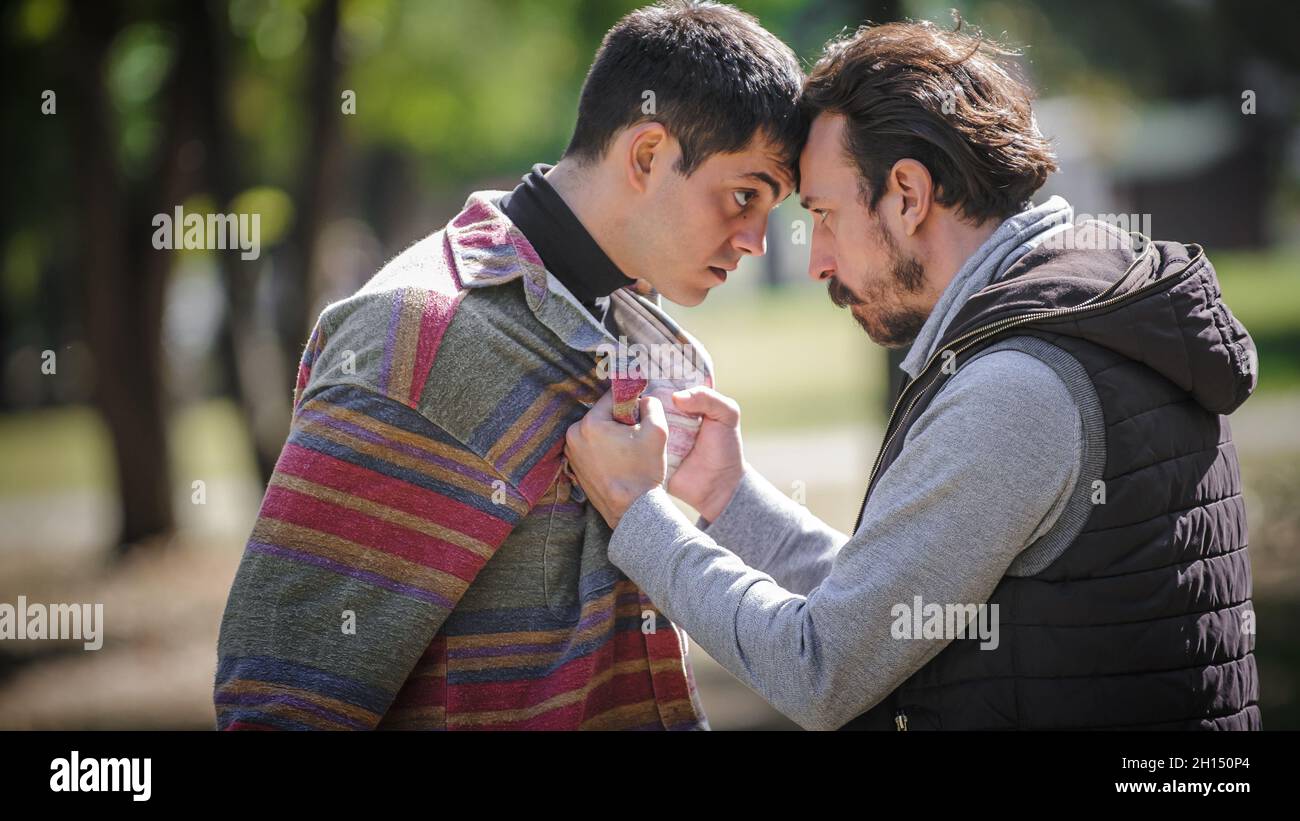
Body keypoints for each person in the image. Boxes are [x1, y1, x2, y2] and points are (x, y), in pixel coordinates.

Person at [564, 19, 1261, 730]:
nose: (818, 262)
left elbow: (823, 668)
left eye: (825, 216)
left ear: (906, 194)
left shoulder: (1018, 388)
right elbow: (896, 607)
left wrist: (635, 511)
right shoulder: (1080, 314)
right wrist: (728, 497)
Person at [214, 0, 804, 730]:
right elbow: (282, 705)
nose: (755, 239)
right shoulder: (420, 336)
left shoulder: (628, 331)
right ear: (647, 155)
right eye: (743, 195)